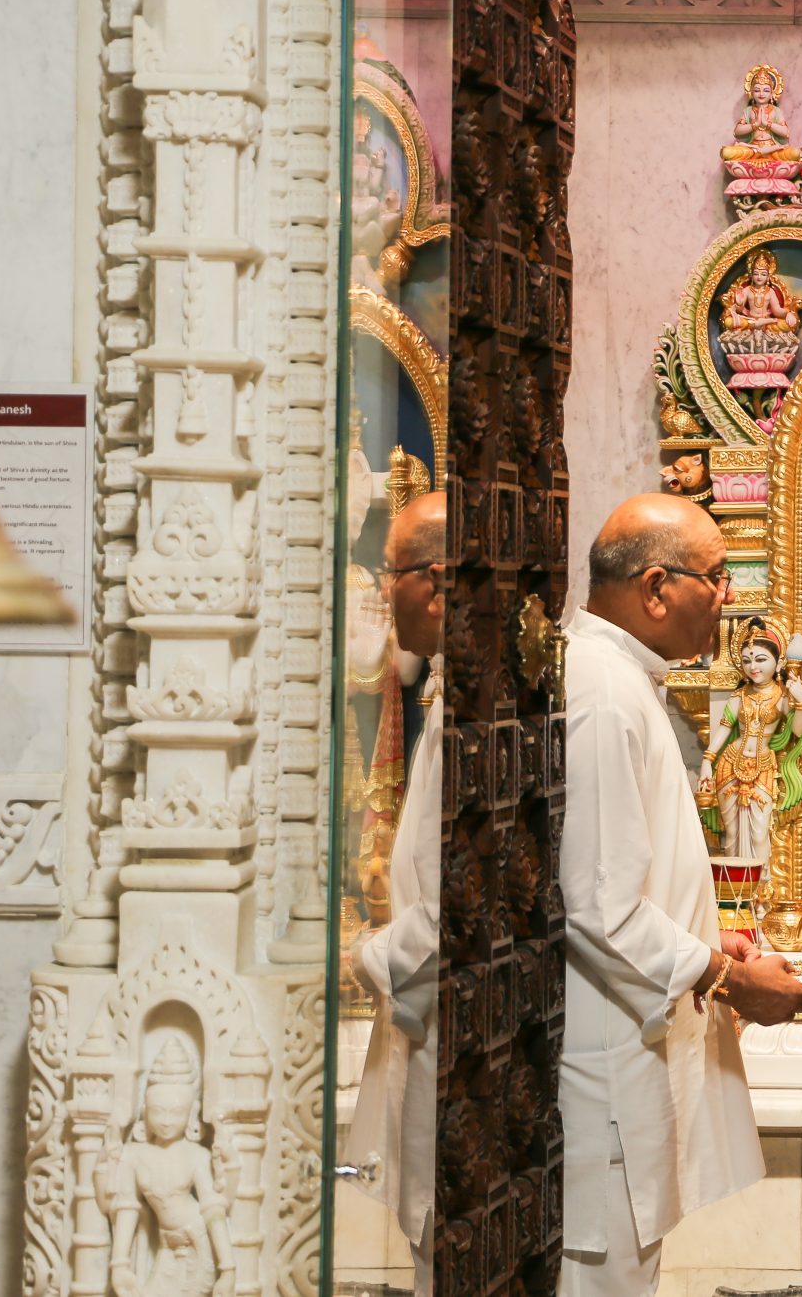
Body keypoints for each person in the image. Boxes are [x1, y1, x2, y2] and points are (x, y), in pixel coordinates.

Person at [560, 493, 802, 1297]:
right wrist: (725, 974)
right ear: (655, 587)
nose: (729, 596)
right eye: (717, 576)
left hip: (628, 1049)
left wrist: (715, 945)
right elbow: (598, 904)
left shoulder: (626, 679)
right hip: (603, 1067)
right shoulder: (602, 693)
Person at [346, 490, 445, 1297]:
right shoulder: (449, 695)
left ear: (439, 581)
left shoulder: (480, 709)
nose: (385, 594)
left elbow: (469, 905)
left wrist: (368, 956)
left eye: (394, 575)